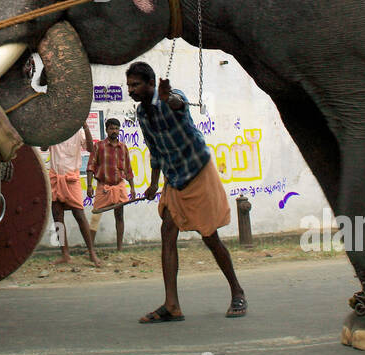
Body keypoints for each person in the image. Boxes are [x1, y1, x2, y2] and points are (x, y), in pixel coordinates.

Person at [127, 61, 245, 321]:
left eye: (136, 85)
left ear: (150, 84)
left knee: (209, 237)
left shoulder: (171, 98)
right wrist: (153, 183)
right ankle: (172, 305)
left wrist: (170, 98)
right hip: (174, 178)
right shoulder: (142, 114)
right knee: (167, 233)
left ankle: (237, 291)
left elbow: (178, 103)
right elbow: (154, 150)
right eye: (129, 85)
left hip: (197, 173)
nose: (131, 90)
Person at [42, 123, 101, 266]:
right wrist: (48, 133)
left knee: (79, 216)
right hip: (56, 178)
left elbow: (91, 148)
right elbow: (43, 148)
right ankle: (65, 254)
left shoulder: (78, 132)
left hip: (71, 179)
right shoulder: (54, 131)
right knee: (57, 217)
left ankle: (92, 253)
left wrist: (86, 127)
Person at [86, 117, 135, 250]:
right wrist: (89, 185)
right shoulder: (98, 146)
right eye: (111, 128)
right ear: (106, 130)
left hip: (119, 186)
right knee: (96, 216)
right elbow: (90, 166)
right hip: (103, 187)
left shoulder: (123, 147)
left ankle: (119, 248)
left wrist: (132, 188)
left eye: (116, 128)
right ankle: (90, 249)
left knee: (119, 216)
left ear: (119, 130)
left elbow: (128, 169)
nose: (114, 131)